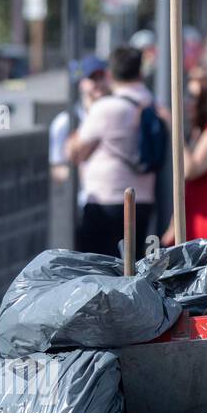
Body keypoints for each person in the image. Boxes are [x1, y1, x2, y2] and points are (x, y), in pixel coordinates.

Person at [67, 45, 163, 259]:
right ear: (140, 72)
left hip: (107, 200)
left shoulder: (107, 107)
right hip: (144, 200)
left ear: (110, 74)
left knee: (99, 270)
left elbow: (74, 152)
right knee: (134, 267)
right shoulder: (153, 103)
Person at [163, 76, 207, 243]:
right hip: (193, 212)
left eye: (193, 96)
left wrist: (175, 128)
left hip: (206, 217)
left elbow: (189, 170)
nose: (187, 102)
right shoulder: (201, 131)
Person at [49, 56, 109, 206]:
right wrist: (86, 174)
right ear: (81, 82)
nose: (98, 83)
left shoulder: (115, 115)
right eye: (92, 78)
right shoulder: (64, 122)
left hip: (113, 198)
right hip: (83, 201)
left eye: (101, 77)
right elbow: (56, 168)